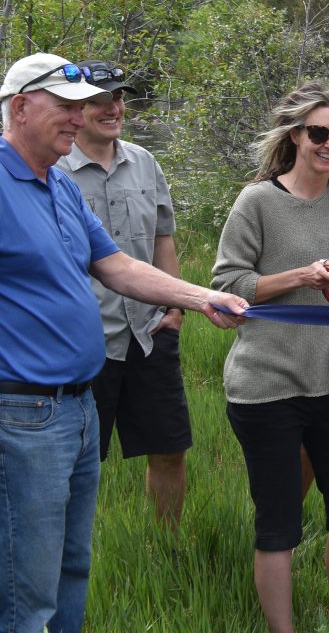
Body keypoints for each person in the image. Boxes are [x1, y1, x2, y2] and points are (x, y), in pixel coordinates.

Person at [0, 53, 245, 633]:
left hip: (76, 407)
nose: (78, 116)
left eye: (82, 105)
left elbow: (115, 265)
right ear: (20, 107)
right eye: (65, 106)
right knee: (24, 588)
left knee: (70, 569)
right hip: (23, 414)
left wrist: (199, 297)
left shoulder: (57, 183)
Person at [212, 81, 329, 633]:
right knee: (278, 523)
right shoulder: (258, 200)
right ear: (296, 135)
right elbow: (228, 283)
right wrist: (298, 278)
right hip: (266, 385)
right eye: (319, 133)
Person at [60, 60, 191, 525]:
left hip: (150, 332)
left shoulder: (144, 162)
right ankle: (79, 553)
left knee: (169, 449)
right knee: (79, 461)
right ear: (75, 107)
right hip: (85, 341)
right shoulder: (54, 170)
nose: (113, 108)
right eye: (99, 99)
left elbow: (163, 238)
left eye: (118, 97)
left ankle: (165, 546)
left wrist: (174, 306)